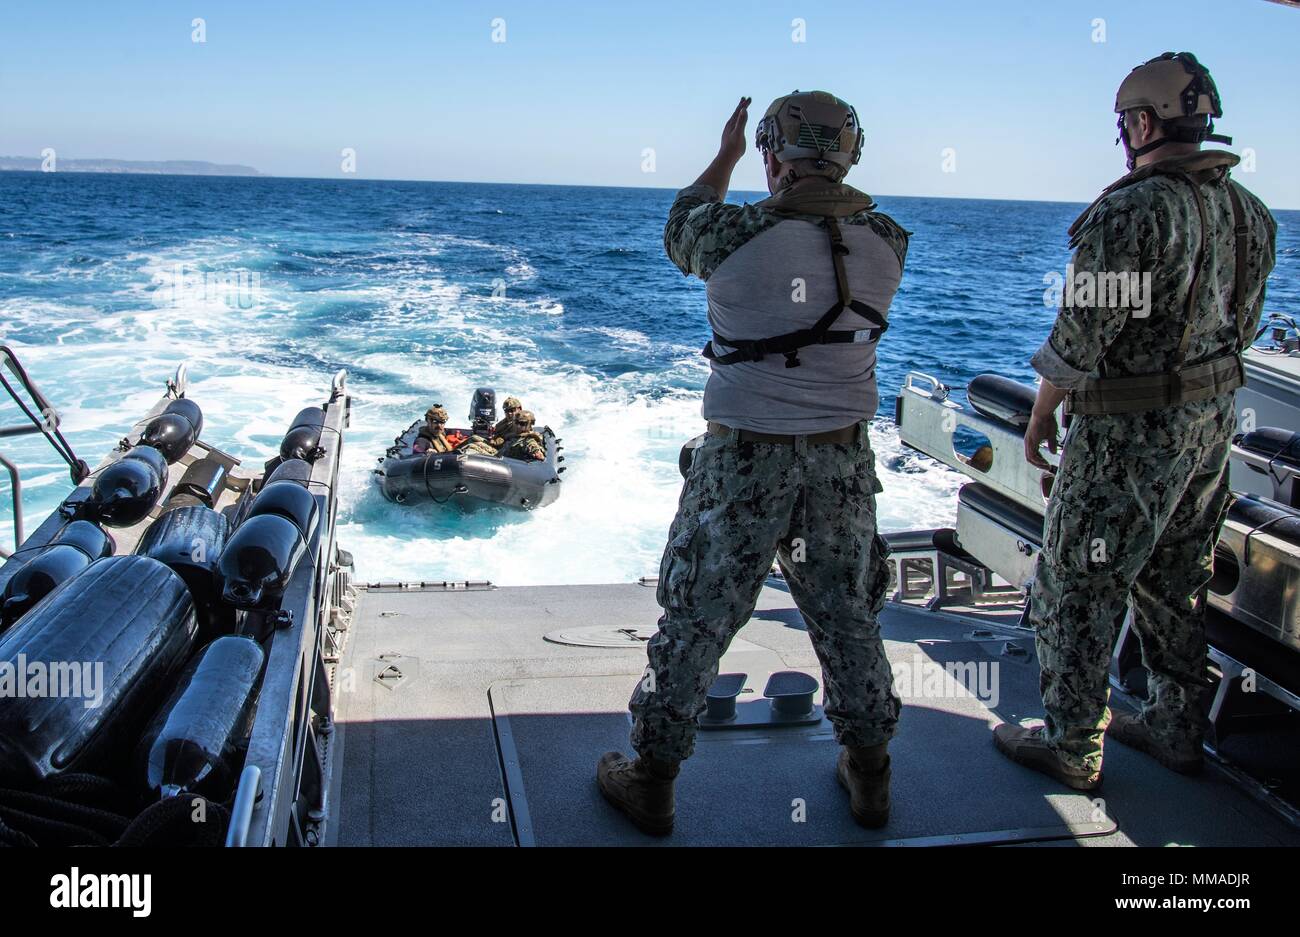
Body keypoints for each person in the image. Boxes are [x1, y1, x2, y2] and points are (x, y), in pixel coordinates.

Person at [595, 91, 909, 835]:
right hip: (841, 464)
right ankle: (870, 776)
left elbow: (683, 221)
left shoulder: (725, 236)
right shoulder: (889, 241)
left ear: (774, 154)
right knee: (848, 620)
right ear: (852, 152)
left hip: (743, 462)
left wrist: (727, 154)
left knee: (698, 618)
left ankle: (654, 778)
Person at [993, 53, 1276, 790]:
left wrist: (1042, 417)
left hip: (1128, 433)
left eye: (1126, 124)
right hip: (1210, 427)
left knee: (1076, 584)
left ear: (1143, 124)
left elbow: (1080, 337)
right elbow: (1242, 328)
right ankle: (1179, 728)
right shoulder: (1252, 213)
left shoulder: (1131, 212)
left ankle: (1072, 743)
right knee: (1175, 578)